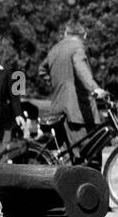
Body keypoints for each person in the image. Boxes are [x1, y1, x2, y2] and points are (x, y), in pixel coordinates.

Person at [41, 21, 108, 159]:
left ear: (66, 34)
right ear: (84, 35)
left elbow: (42, 69)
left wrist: (54, 83)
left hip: (57, 111)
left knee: (67, 157)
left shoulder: (54, 49)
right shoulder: (78, 47)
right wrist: (95, 88)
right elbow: (80, 67)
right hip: (77, 112)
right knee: (87, 156)